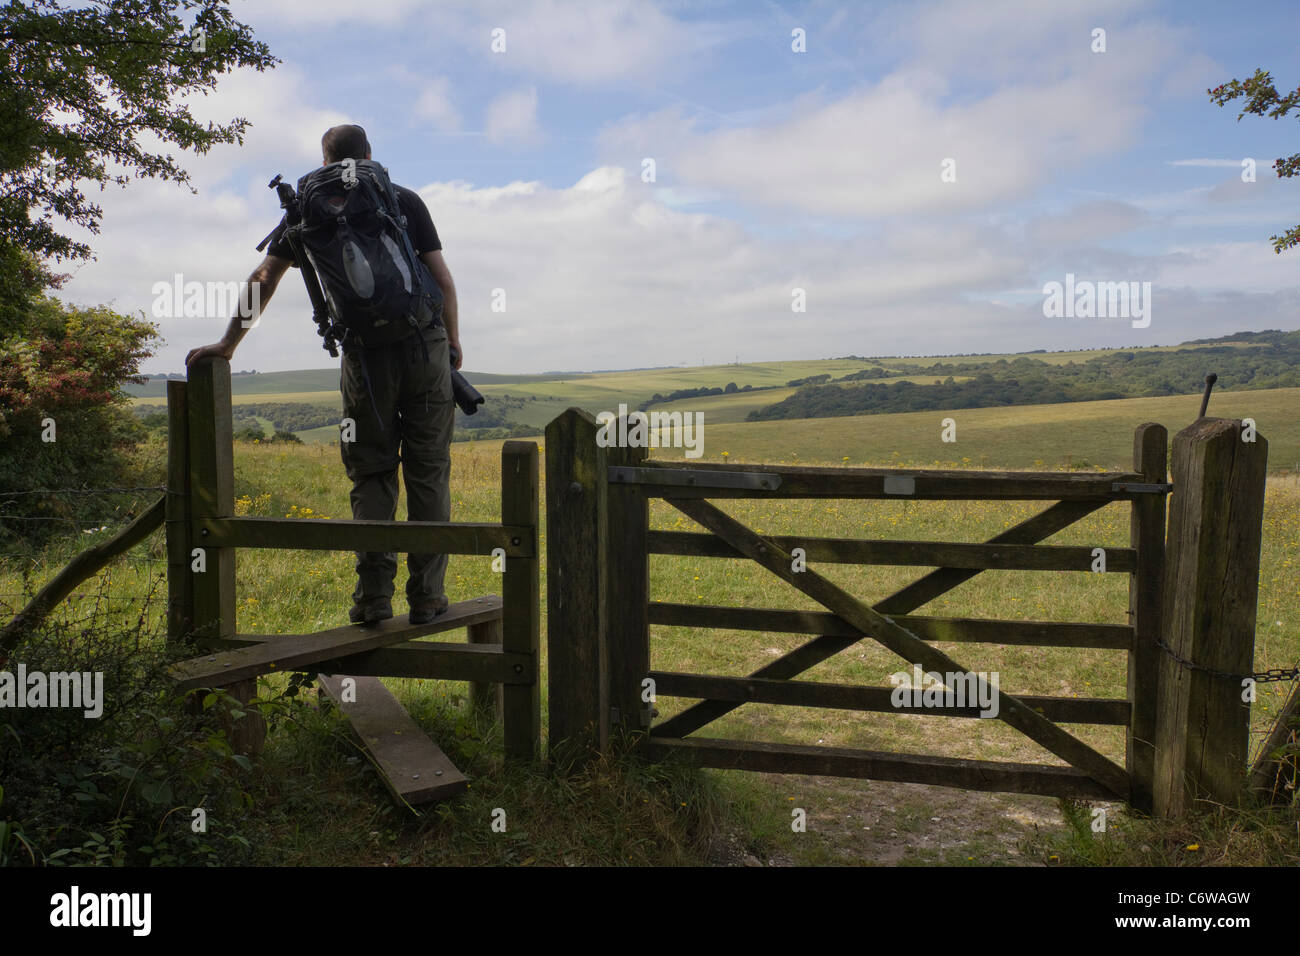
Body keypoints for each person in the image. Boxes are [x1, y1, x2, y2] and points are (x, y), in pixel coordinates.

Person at [186, 124, 461, 627]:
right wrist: (454, 342)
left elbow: (263, 278)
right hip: (424, 346)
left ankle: (374, 598)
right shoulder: (402, 200)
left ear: (326, 158)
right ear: (369, 155)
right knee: (428, 471)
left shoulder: (308, 211)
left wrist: (228, 346)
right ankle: (426, 597)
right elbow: (441, 280)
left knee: (372, 473)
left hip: (363, 358)